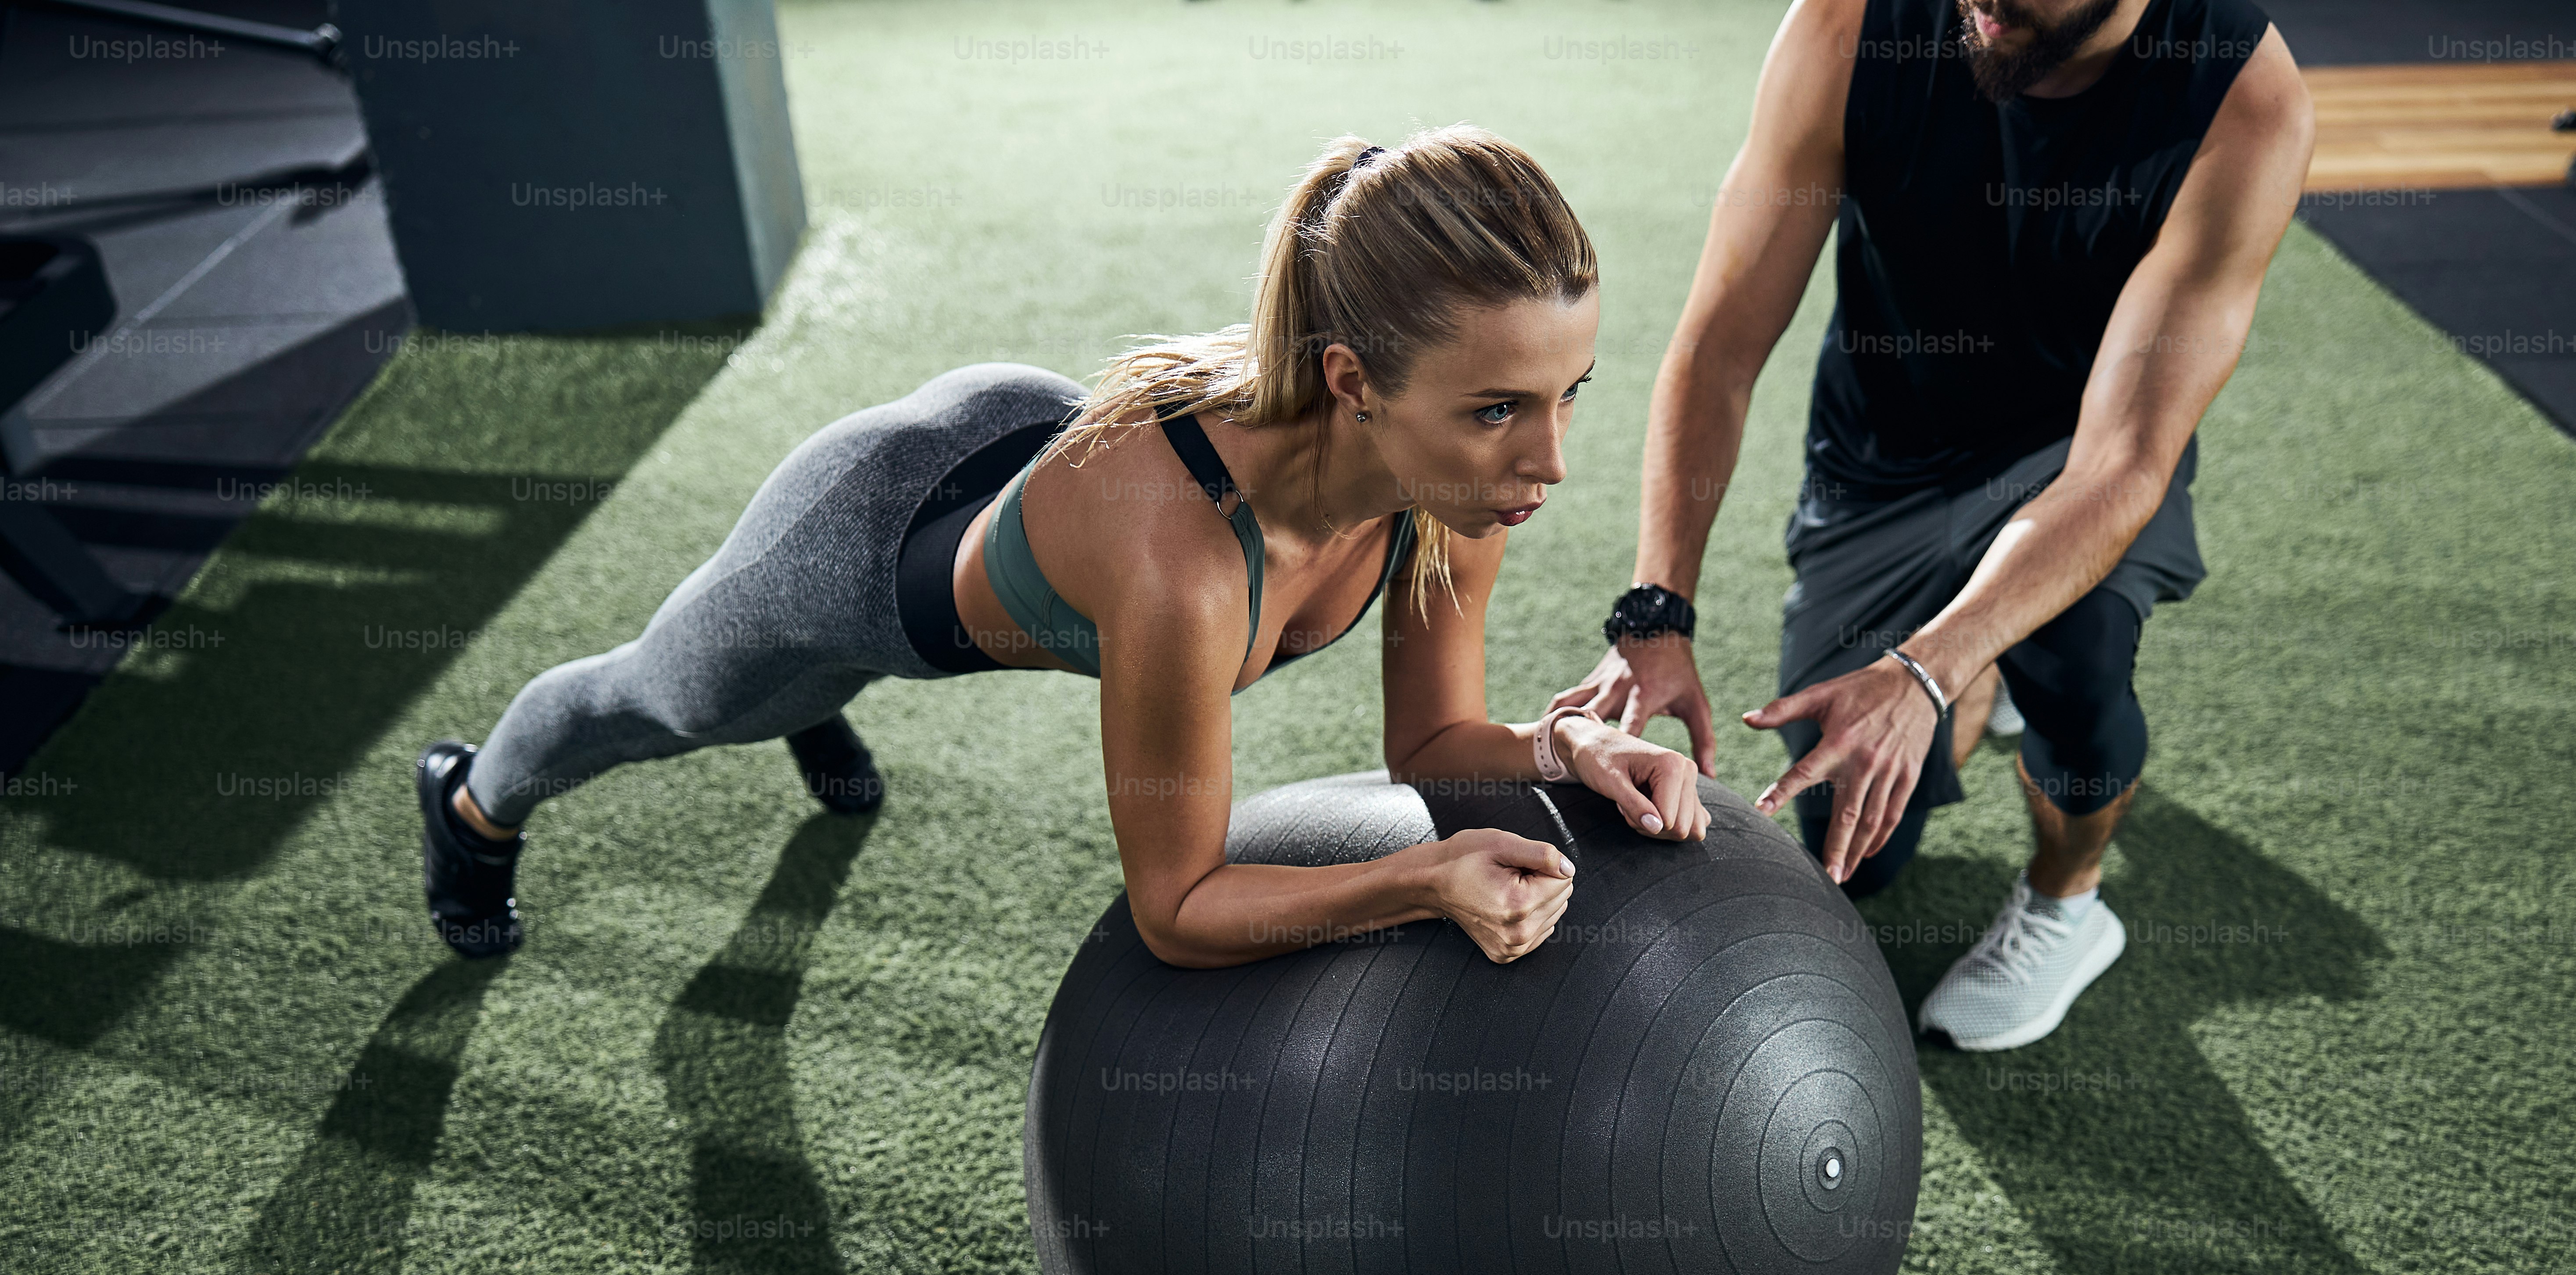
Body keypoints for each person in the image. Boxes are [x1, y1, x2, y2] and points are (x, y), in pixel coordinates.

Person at [417, 128, 1707, 966]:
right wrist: (1419, 878)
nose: (1549, 461)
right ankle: (471, 799)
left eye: (1568, 392)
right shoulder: (1185, 569)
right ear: (1354, 379)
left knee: (778, 695)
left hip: (1051, 468)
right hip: (868, 545)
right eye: (1498, 410)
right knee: (665, 696)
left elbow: (1427, 747)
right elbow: (1179, 907)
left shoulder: (1453, 489)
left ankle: (805, 707)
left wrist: (1572, 744)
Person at [1554, 0, 2311, 1048]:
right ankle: (1982, 661)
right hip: (1882, 460)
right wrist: (1654, 608)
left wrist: (1922, 670)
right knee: (1845, 842)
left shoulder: (2244, 103)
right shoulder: (1850, 25)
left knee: (2080, 649)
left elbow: (2123, 460)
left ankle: (2067, 899)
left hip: (2074, 455)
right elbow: (1720, 342)